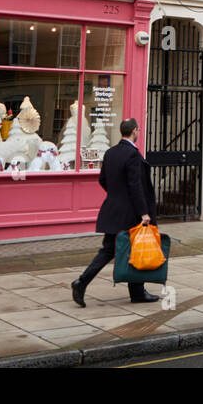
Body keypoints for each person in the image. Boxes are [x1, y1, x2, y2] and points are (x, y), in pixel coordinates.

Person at [71, 117, 160, 305]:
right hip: (130, 214)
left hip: (112, 210)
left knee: (108, 250)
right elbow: (135, 186)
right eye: (138, 131)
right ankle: (137, 293)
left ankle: (82, 282)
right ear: (135, 131)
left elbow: (102, 180)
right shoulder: (133, 155)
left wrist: (116, 195)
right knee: (136, 250)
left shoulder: (111, 153)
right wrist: (144, 213)